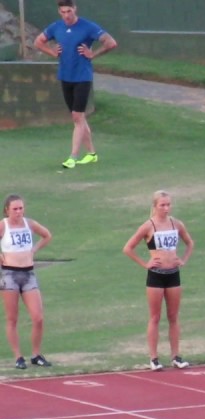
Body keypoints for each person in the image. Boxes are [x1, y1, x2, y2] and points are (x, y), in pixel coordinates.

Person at [33, 0, 116, 169]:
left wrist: (93, 54)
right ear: (59, 11)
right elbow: (38, 42)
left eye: (69, 11)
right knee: (79, 117)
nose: (66, 15)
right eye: (63, 12)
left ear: (75, 9)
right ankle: (91, 154)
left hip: (82, 77)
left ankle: (73, 157)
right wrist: (52, 52)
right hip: (65, 76)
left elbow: (111, 43)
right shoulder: (56, 27)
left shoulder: (88, 26)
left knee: (77, 117)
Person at [122, 190, 195, 371]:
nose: (166, 208)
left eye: (168, 204)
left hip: (173, 274)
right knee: (155, 317)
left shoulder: (176, 224)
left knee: (173, 316)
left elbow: (190, 243)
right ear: (154, 206)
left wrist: (183, 260)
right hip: (156, 275)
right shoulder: (149, 226)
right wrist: (145, 264)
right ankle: (154, 358)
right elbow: (128, 248)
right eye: (162, 205)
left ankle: (176, 356)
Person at [2, 195, 53, 370]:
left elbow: (46, 235)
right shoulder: (3, 225)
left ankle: (36, 355)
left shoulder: (29, 224)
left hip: (28, 274)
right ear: (7, 210)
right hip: (9, 275)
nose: (18, 212)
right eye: (15, 209)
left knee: (38, 317)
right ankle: (18, 357)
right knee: (12, 318)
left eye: (21, 208)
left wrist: (34, 250)